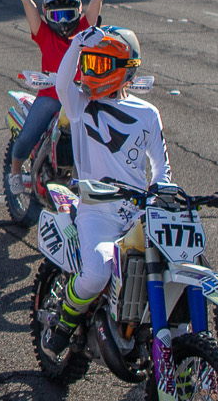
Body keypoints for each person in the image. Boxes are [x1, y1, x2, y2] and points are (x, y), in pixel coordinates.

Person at [39, 26, 170, 361]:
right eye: (89, 63)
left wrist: (162, 193)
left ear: (126, 70)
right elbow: (62, 82)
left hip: (137, 213)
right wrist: (77, 45)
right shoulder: (81, 104)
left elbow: (161, 170)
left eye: (100, 65)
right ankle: (63, 324)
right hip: (95, 211)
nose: (91, 73)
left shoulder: (148, 114)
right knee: (97, 273)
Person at [4, 0, 114, 195]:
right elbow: (27, 3)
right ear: (48, 17)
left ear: (78, 14)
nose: (63, 21)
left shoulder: (86, 29)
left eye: (68, 14)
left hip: (82, 97)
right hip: (51, 97)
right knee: (28, 135)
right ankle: (14, 173)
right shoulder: (44, 34)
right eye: (57, 15)